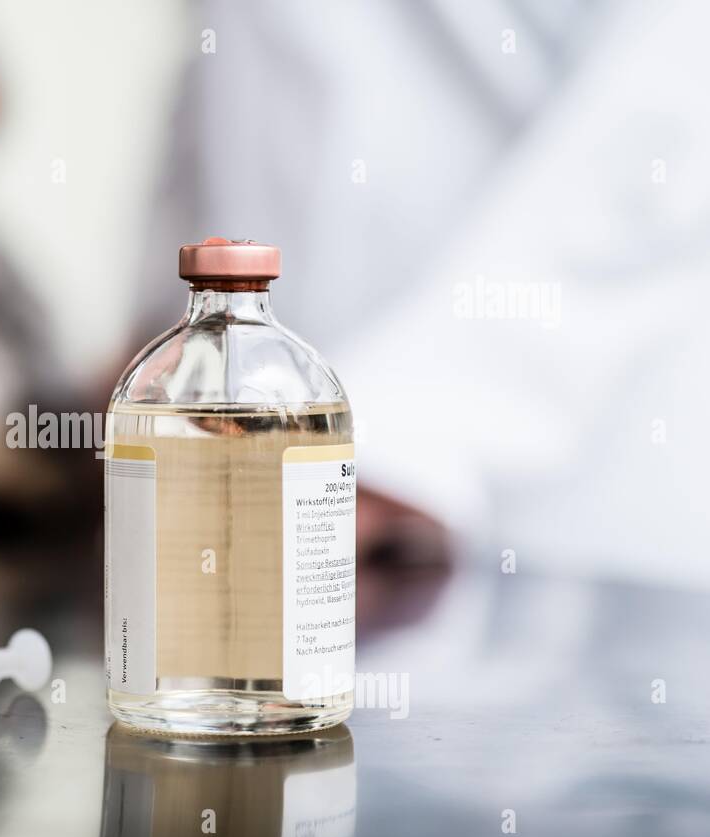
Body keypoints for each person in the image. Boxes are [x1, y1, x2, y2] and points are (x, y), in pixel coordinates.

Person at [140, 0, 710, 586]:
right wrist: (161, 335)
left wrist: (408, 436)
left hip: (543, 498)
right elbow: (236, 60)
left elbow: (675, 100)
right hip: (266, 475)